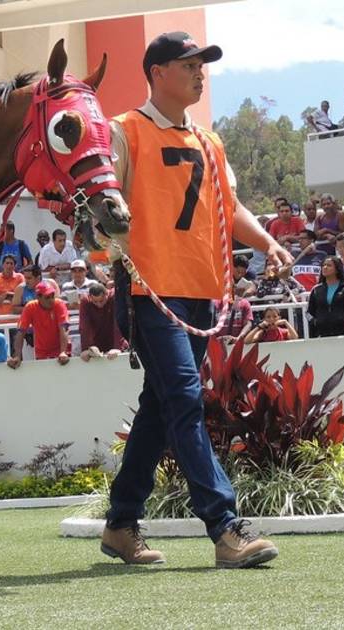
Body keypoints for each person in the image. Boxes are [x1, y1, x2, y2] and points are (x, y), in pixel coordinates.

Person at [102, 32, 287, 568]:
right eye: (189, 64)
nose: (200, 72)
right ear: (157, 72)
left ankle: (119, 524)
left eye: (202, 64)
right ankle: (225, 527)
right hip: (149, 289)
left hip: (202, 290)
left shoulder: (211, 142)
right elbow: (99, 203)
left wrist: (268, 240)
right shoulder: (123, 131)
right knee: (184, 398)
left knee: (160, 408)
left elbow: (228, 209)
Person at [7, 282, 69, 366]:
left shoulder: (59, 304)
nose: (51, 300)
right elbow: (20, 332)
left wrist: (63, 352)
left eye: (52, 296)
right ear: (38, 297)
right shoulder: (30, 307)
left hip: (62, 352)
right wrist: (17, 356)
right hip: (41, 352)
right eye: (47, 297)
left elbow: (63, 329)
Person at [305, 256, 344, 338]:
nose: (325, 267)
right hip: (321, 334)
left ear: (337, 269)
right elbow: (308, 312)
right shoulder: (316, 289)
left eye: (329, 265)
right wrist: (315, 322)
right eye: (323, 265)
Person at [77, 282, 124, 359]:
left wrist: (118, 347)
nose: (99, 304)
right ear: (90, 297)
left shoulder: (114, 297)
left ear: (107, 294)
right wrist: (86, 349)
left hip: (116, 340)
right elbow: (84, 326)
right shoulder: (85, 301)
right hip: (97, 342)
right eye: (95, 302)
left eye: (101, 301)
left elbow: (118, 324)